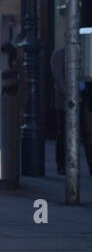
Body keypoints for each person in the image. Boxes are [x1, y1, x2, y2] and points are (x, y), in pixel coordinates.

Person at [50, 42, 92, 177]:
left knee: (87, 134)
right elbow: (58, 77)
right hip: (65, 101)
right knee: (64, 133)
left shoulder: (84, 53)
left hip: (84, 98)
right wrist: (70, 93)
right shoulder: (59, 54)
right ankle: (62, 164)